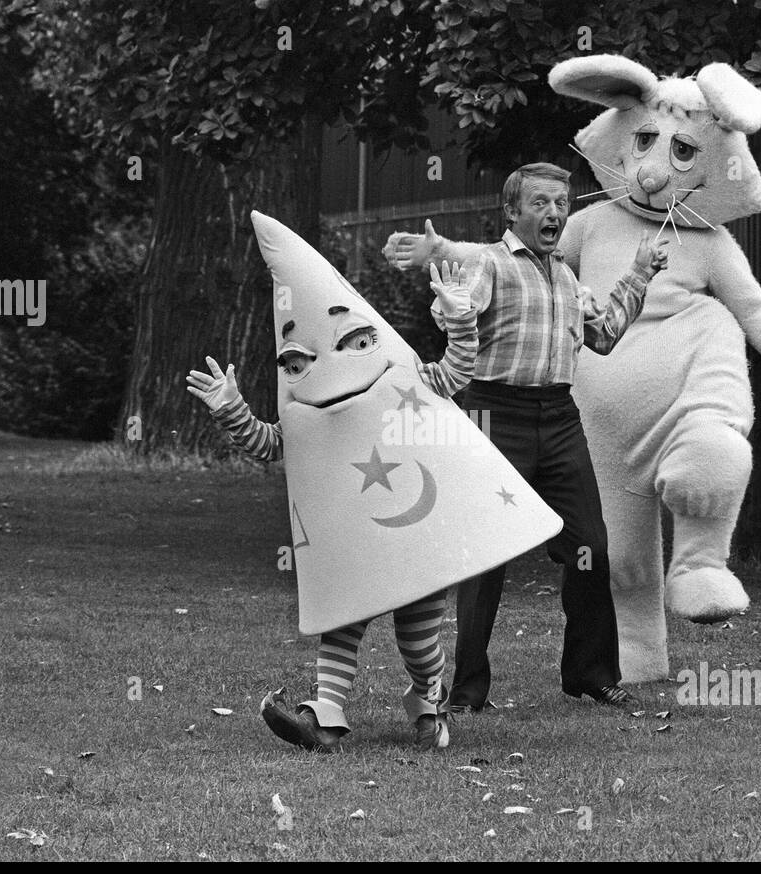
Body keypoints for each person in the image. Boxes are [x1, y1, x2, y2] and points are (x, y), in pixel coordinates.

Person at [185, 210, 563, 752]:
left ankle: (428, 699)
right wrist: (230, 408)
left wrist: (461, 321)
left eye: (354, 343)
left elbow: (456, 375)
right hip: (351, 542)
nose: (325, 366)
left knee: (418, 636)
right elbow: (267, 445)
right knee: (343, 619)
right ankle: (325, 716)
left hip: (420, 535)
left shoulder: (408, 377)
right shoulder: (304, 418)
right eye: (296, 360)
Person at [422, 162, 668, 711]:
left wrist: (639, 273)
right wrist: (452, 305)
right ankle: (466, 690)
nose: (555, 212)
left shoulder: (564, 276)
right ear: (512, 211)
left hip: (559, 418)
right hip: (493, 415)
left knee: (590, 547)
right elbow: (451, 316)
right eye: (541, 203)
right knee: (487, 557)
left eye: (562, 203)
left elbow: (601, 337)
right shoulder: (488, 263)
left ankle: (589, 672)